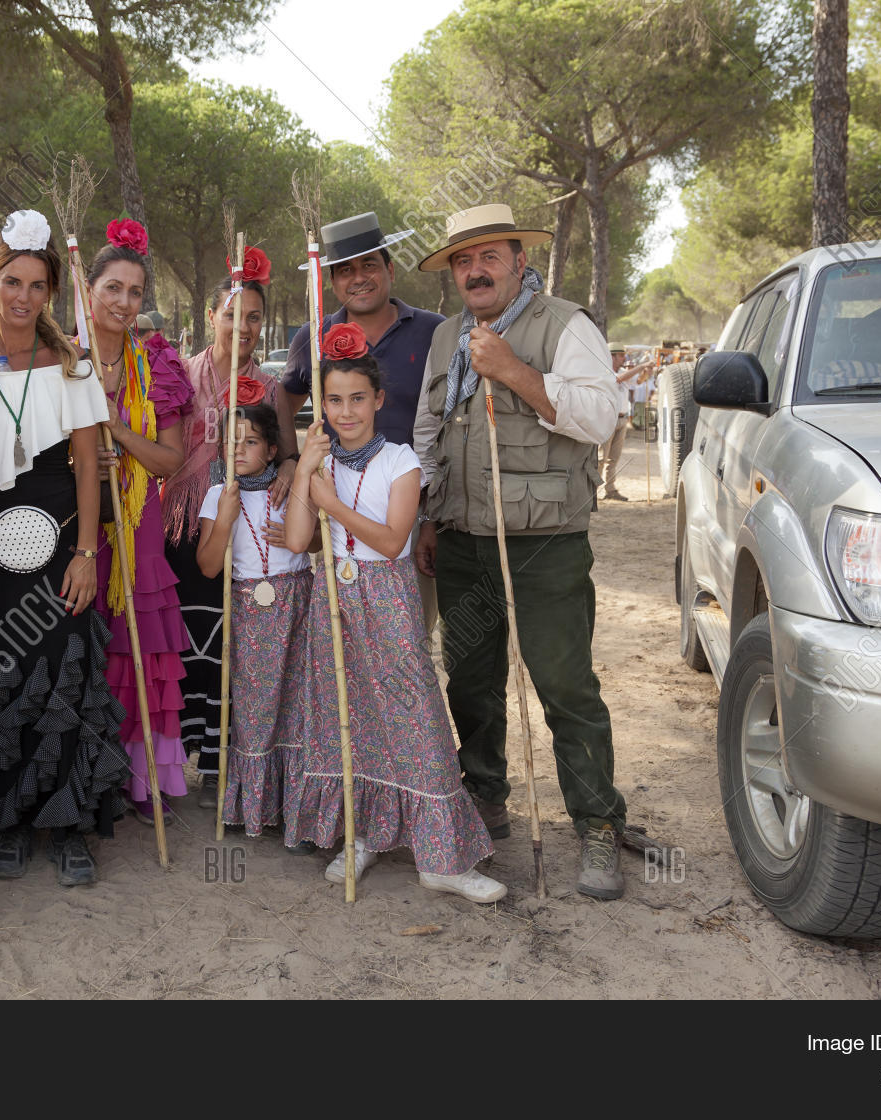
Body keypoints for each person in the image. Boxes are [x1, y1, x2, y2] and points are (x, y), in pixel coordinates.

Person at [413, 203, 629, 900]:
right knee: (470, 682)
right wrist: (423, 518)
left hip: (546, 543)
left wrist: (510, 370)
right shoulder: (446, 335)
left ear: (519, 263)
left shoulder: (566, 325)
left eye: (489, 258)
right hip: (463, 538)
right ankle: (485, 801)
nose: (475, 271)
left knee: (564, 685)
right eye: (463, 261)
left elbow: (600, 417)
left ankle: (598, 822)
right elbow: (427, 430)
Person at [283, 324, 506, 905]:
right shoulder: (320, 462)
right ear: (321, 404)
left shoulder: (403, 463)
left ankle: (443, 859)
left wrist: (332, 502)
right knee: (344, 720)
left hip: (387, 602)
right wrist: (306, 473)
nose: (347, 411)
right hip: (333, 603)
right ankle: (361, 835)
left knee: (417, 722)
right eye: (334, 400)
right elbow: (301, 538)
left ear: (379, 400)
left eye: (358, 398)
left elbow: (390, 540)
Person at [0, 210, 128, 884]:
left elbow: (87, 464)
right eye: (11, 282)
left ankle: (73, 825)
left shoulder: (72, 366)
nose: (23, 296)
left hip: (57, 541)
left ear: (49, 293)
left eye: (36, 286)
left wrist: (87, 552)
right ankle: (13, 821)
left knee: (62, 669)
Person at [162, 257, 289, 809]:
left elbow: (285, 449)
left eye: (255, 318)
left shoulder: (271, 387)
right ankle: (184, 753)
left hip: (245, 530)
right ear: (213, 314)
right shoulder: (182, 377)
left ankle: (227, 762)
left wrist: (284, 469)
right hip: (185, 525)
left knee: (236, 644)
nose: (245, 327)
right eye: (234, 315)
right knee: (194, 640)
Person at [279, 212, 444, 626]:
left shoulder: (434, 332)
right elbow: (283, 402)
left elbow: (454, 425)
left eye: (370, 264)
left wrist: (433, 520)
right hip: (337, 525)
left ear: (389, 268)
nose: (359, 278)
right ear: (332, 283)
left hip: (415, 519)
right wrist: (289, 461)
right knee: (343, 654)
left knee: (408, 642)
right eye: (345, 270)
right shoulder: (312, 337)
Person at [84, 219, 194, 825]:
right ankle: (88, 775)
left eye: (134, 291)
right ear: (89, 289)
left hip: (138, 524)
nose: (124, 302)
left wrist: (118, 431)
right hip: (77, 525)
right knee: (87, 649)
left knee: (138, 649)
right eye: (113, 289)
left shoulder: (157, 366)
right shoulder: (62, 358)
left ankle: (140, 779)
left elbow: (170, 460)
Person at [194, 402, 311, 835]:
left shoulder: (293, 484)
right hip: (251, 610)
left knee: (298, 705)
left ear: (273, 448)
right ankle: (257, 808)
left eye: (250, 442)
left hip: (298, 601)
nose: (238, 450)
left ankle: (299, 811)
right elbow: (208, 565)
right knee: (255, 709)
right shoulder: (217, 493)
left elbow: (317, 539)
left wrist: (303, 534)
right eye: (231, 443)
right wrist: (224, 520)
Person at [599, 346, 633, 500]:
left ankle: (610, 489)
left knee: (614, 458)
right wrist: (642, 367)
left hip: (622, 418)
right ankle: (592, 491)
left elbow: (638, 381)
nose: (623, 359)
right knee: (601, 458)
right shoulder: (606, 373)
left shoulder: (621, 373)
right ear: (612, 357)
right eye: (621, 356)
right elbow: (620, 379)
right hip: (609, 419)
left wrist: (646, 372)